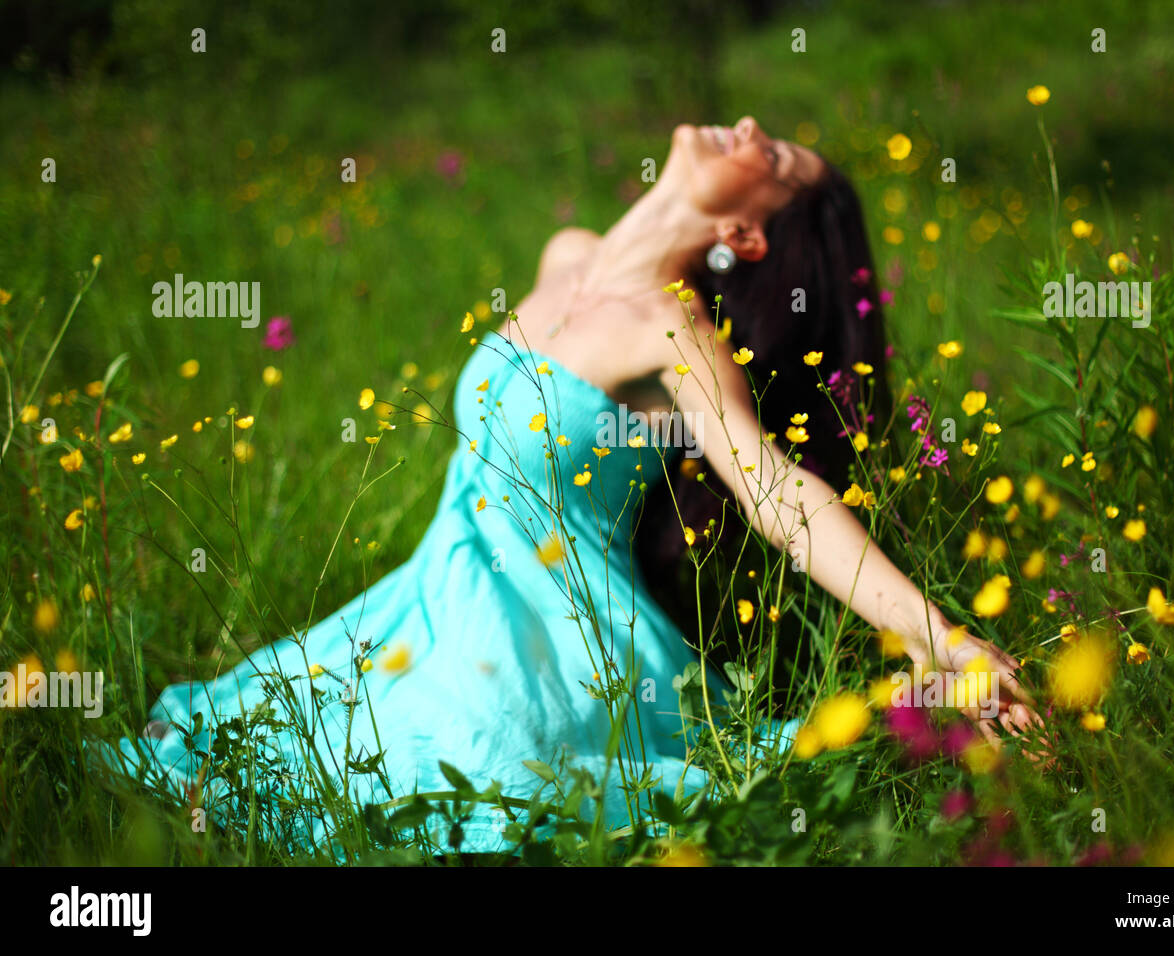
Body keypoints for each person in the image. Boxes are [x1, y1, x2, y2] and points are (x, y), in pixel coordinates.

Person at [92, 117, 1040, 859]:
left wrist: (941, 631)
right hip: (429, 602)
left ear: (747, 232)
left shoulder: (675, 337)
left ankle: (922, 696)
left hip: (545, 646)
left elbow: (776, 495)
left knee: (412, 784)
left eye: (776, 154)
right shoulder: (566, 255)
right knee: (232, 745)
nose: (749, 126)